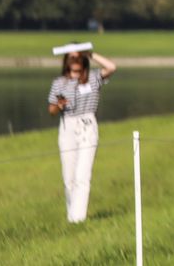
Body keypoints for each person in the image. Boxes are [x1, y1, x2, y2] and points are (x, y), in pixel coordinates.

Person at [47, 43, 116, 223]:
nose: (76, 61)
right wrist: (58, 105)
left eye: (79, 57)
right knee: (68, 177)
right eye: (72, 58)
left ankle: (78, 219)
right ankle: (72, 215)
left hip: (87, 124)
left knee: (82, 175)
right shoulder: (59, 83)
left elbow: (111, 67)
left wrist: (91, 53)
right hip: (67, 126)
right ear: (66, 61)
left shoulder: (93, 78)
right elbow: (51, 109)